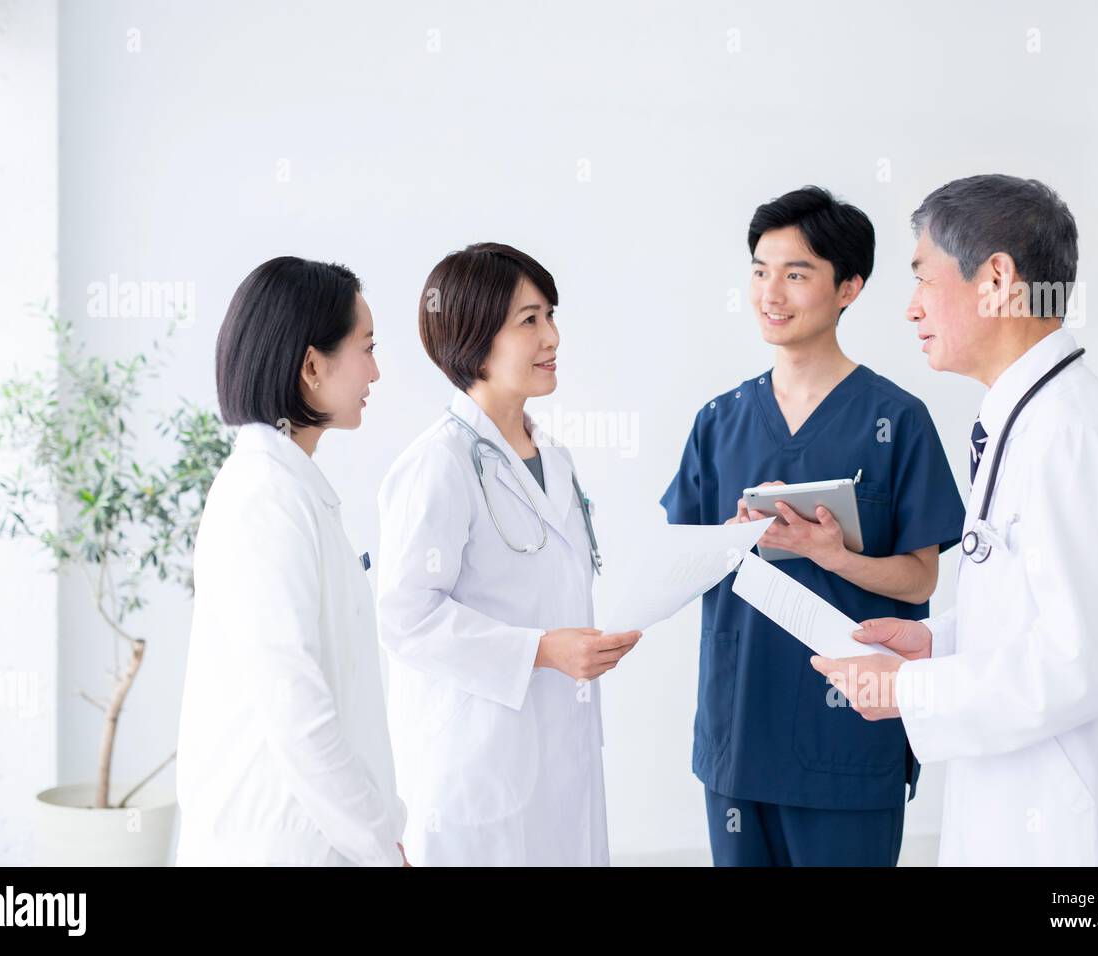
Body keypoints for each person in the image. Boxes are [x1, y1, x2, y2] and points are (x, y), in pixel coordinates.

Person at [810, 174, 1098, 865]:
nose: (910, 309)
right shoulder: (1027, 422)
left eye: (924, 279)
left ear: (995, 279)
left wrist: (910, 690)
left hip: (1074, 838)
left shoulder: (1072, 435)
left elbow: (1088, 658)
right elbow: (1043, 609)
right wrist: (938, 641)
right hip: (1028, 810)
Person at [661, 187, 965, 866]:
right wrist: (728, 541)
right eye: (761, 271)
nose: (772, 292)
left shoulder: (896, 420)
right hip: (740, 736)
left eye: (797, 274)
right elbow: (680, 561)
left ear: (849, 287)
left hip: (848, 738)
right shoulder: (720, 421)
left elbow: (921, 575)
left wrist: (832, 554)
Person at [375, 242, 641, 865]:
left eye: (550, 315)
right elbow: (405, 618)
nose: (552, 336)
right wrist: (543, 651)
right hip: (475, 766)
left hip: (560, 751)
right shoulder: (436, 465)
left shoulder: (556, 458)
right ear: (473, 339)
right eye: (530, 320)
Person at [176, 256, 408, 866]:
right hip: (279, 845)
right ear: (311, 365)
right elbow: (296, 710)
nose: (377, 371)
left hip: (316, 838)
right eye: (368, 347)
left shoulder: (288, 487)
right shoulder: (265, 497)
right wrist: (379, 846)